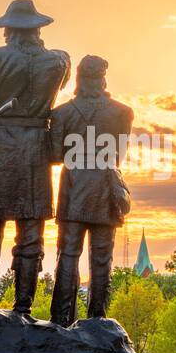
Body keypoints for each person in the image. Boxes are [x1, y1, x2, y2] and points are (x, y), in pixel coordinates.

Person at [0, 0, 70, 317]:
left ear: (8, 29)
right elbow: (60, 88)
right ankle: (23, 307)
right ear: (38, 29)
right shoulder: (59, 61)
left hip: (0, 147)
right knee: (31, 231)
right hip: (37, 149)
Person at [49, 55, 134, 325]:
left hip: (73, 188)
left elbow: (54, 155)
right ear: (103, 78)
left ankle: (61, 320)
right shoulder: (122, 112)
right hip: (105, 189)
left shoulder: (61, 113)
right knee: (101, 259)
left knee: (67, 255)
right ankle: (97, 319)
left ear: (78, 78)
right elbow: (118, 155)